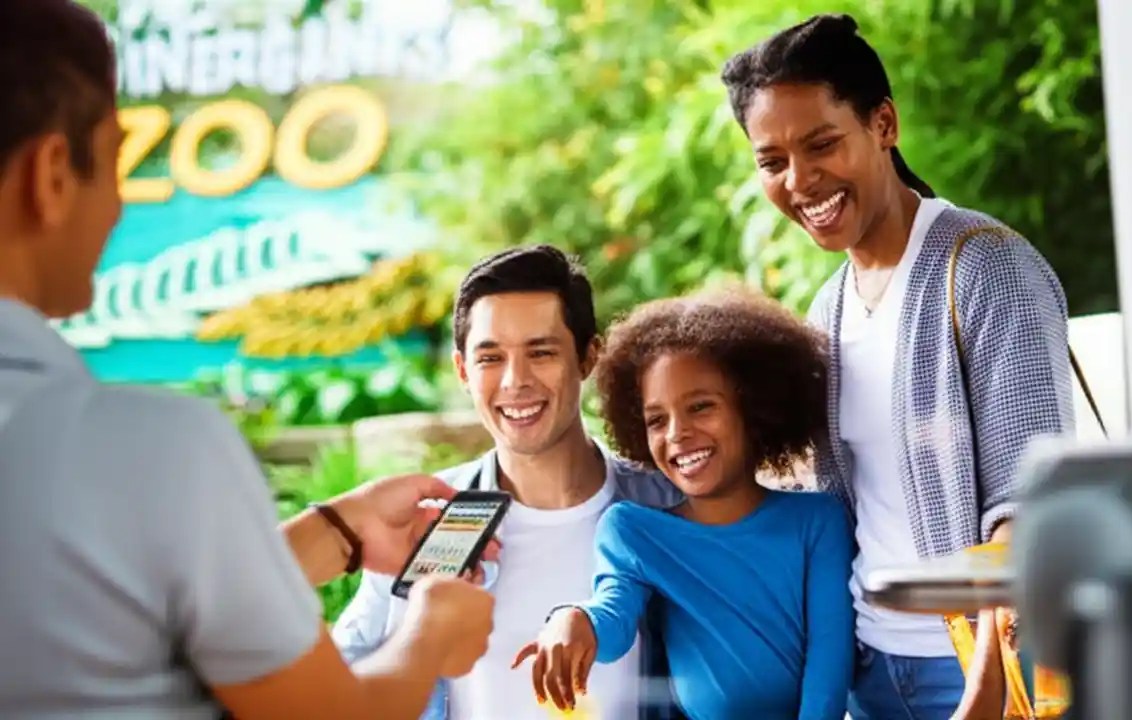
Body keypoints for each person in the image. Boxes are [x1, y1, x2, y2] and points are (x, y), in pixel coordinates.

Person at [0, 2, 494, 718]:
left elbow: (114, 597)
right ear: (50, 174)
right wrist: (430, 634)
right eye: (113, 164)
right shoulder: (151, 448)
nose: (115, 207)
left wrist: (338, 533)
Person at [720, 13, 1077, 720]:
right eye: (772, 161)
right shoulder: (829, 308)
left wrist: (989, 678)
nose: (800, 180)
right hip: (872, 673)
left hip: (983, 667)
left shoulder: (985, 267)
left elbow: (1030, 500)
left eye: (822, 144)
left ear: (883, 123)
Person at [332, 245, 685, 720]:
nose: (516, 381)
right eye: (490, 358)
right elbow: (337, 689)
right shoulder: (426, 523)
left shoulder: (669, 508)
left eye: (541, 353)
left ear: (588, 357)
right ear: (462, 370)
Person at [515, 290, 855, 720]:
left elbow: (830, 667)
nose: (677, 432)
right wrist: (572, 619)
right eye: (657, 419)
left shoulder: (816, 521)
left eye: (700, 407)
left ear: (754, 410)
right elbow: (613, 617)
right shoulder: (634, 532)